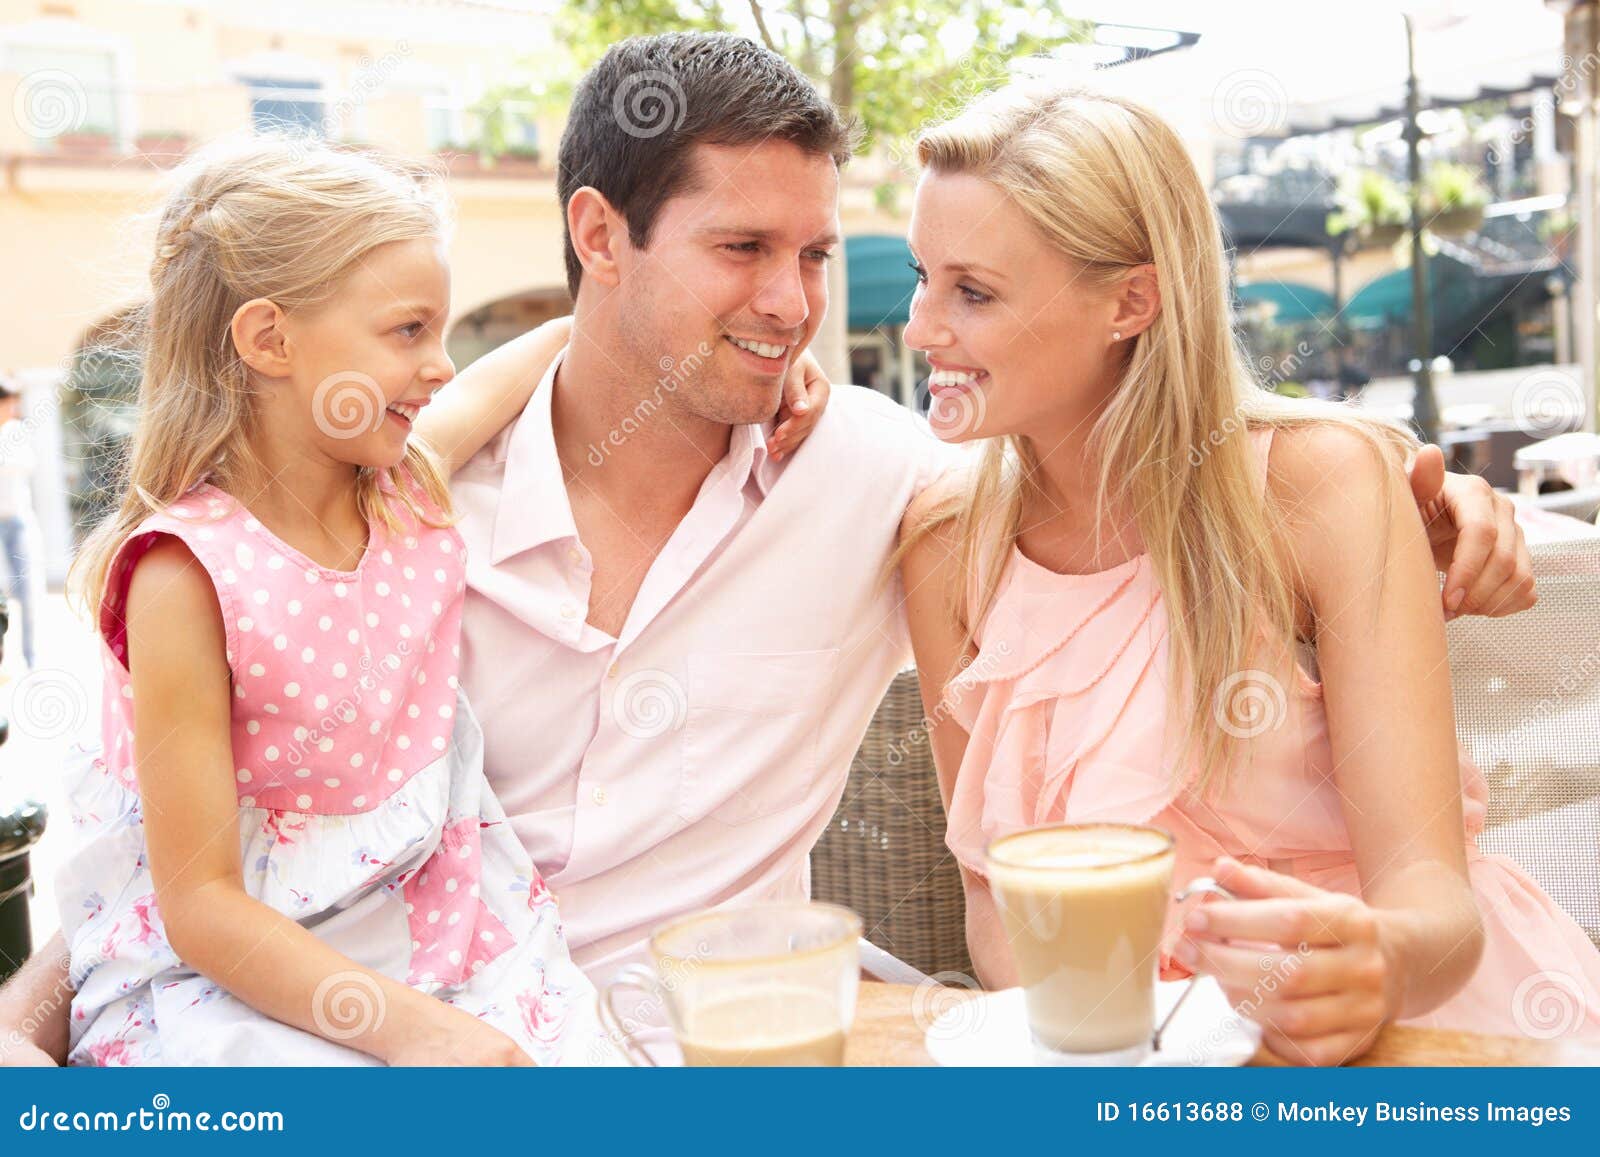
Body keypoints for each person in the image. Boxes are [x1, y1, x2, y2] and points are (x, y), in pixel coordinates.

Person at [1, 32, 1533, 1067]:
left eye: (813, 255)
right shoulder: (389, 507)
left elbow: (1158, 476)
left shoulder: (877, 478)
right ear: (599, 238)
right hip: (407, 1046)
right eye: (744, 250)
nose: (802, 306)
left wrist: (1426, 489)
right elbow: (192, 828)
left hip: (744, 1056)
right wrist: (38, 1012)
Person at [893, 82, 1600, 1064]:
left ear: (1129, 301)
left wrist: (1376, 961)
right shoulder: (942, 548)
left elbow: (1433, 904)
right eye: (922, 276)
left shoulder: (1318, 484)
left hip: (1412, 1032)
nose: (920, 326)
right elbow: (996, 904)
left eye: (972, 290)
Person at [49, 136, 630, 1066]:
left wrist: (705, 354)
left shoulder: (405, 491)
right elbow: (199, 905)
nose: (441, 365)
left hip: (443, 933)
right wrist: (423, 1036)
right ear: (270, 339)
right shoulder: (185, 574)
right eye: (408, 332)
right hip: (241, 976)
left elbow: (498, 377)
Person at [0, 377, 38, 669]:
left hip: (16, 522)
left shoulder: (17, 432)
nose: (12, 408)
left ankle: (30, 659)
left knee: (26, 591)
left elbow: (25, 465)